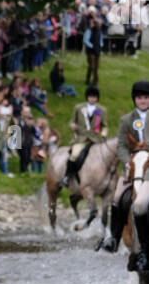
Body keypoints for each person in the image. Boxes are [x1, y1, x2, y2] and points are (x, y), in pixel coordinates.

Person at [102, 80, 149, 262]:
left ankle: (144, 248)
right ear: (134, 99)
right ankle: (114, 238)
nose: (143, 101)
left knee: (140, 204)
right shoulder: (126, 120)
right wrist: (127, 161)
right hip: (133, 166)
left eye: (146, 97)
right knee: (117, 197)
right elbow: (121, 145)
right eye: (140, 98)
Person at [64, 85, 107, 188]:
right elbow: (72, 121)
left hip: (96, 139)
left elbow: (104, 125)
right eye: (90, 96)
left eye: (94, 97)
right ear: (87, 97)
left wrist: (104, 132)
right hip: (82, 138)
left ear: (97, 98)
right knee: (74, 154)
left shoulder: (102, 110)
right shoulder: (78, 108)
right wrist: (72, 126)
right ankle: (67, 176)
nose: (92, 99)